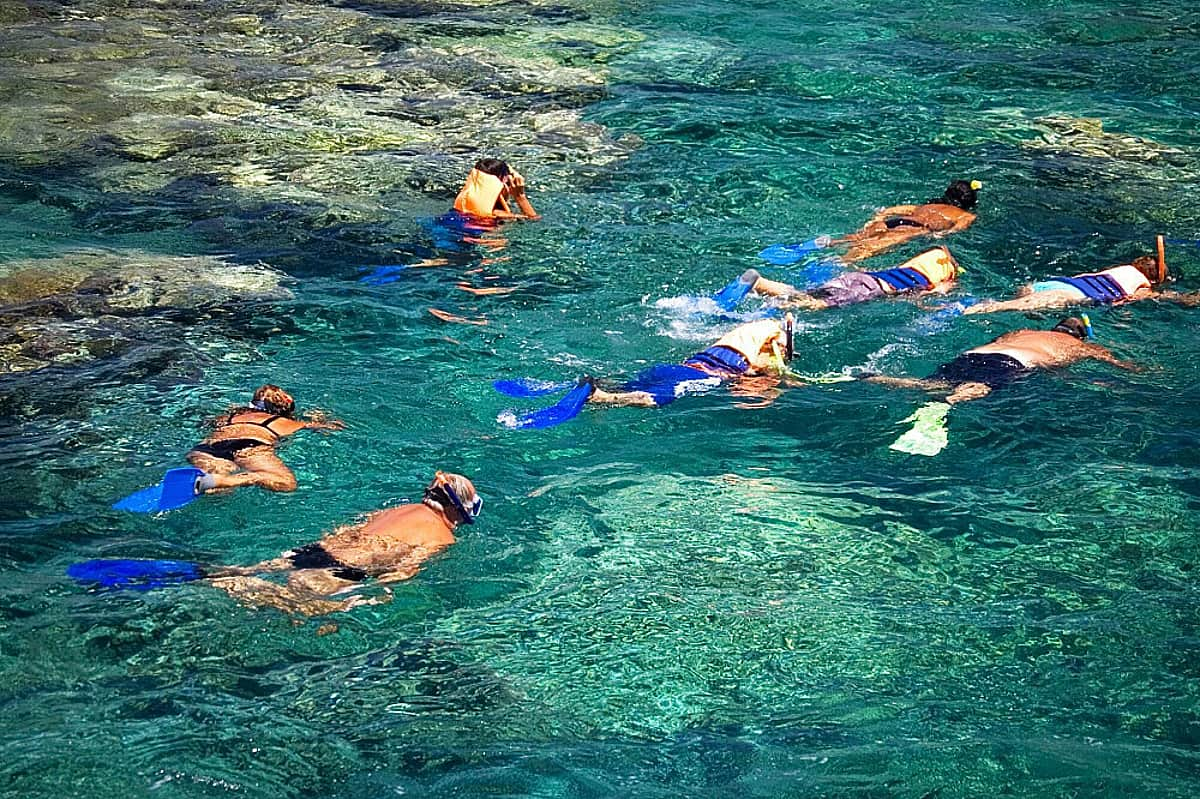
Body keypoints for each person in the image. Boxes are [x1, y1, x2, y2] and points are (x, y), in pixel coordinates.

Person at [208, 471, 481, 615]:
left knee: (250, 570)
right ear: (457, 509)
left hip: (319, 549)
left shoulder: (400, 509)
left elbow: (353, 526)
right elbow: (405, 569)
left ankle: (218, 576)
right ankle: (227, 586)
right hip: (345, 569)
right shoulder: (443, 536)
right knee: (304, 609)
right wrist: (380, 593)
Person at [865, 317, 1138, 404]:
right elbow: (1116, 363)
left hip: (975, 353)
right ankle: (944, 408)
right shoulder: (1080, 347)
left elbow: (1000, 339)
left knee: (931, 383)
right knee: (976, 389)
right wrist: (1141, 373)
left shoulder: (1022, 331)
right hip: (1013, 362)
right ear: (1081, 337)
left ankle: (874, 378)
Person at [586, 316, 795, 408]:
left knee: (629, 384)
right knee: (656, 399)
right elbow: (745, 398)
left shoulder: (744, 335)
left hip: (671, 368)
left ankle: (595, 384)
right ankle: (603, 398)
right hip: (701, 376)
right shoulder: (762, 354)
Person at [963, 236, 1189, 314]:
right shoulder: (1143, 285)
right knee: (1004, 307)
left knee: (1020, 300)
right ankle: (965, 310)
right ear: (1153, 279)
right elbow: (1136, 299)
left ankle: (974, 305)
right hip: (1067, 293)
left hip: (1051, 284)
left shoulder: (1120, 269)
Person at [186, 384, 345, 493]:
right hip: (247, 447)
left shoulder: (229, 416)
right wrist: (320, 418)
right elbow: (332, 427)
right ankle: (229, 481)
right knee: (286, 482)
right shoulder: (284, 423)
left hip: (206, 448)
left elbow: (206, 424)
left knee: (219, 492)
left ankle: (213, 483)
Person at [724, 246, 961, 311]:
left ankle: (761, 284)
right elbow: (932, 294)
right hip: (871, 288)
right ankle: (768, 304)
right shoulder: (928, 282)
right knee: (815, 305)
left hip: (858, 277)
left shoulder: (912, 267)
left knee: (807, 295)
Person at [828, 179, 980, 263]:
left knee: (854, 239)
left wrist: (877, 219)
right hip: (915, 228)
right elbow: (959, 228)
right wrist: (941, 234)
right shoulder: (965, 215)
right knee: (865, 250)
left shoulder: (927, 206)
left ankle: (826, 243)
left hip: (897, 221)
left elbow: (889, 211)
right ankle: (836, 263)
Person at [452, 158, 540, 223]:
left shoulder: (465, 205)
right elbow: (534, 221)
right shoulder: (498, 214)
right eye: (508, 183)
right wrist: (520, 197)